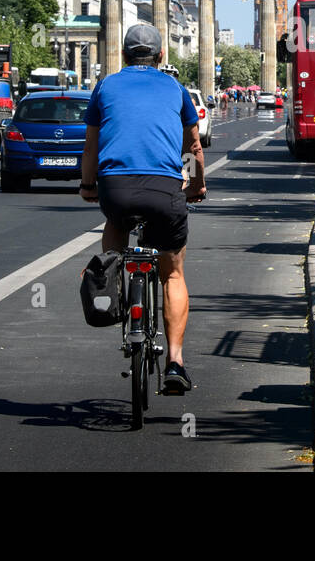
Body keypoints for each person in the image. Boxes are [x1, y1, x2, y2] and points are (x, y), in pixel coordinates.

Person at [79, 23, 207, 393]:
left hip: (116, 188)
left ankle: (113, 280)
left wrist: (89, 186)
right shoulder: (175, 88)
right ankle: (176, 362)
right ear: (161, 56)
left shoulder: (104, 86)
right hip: (164, 190)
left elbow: (91, 146)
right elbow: (193, 148)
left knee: (115, 224)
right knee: (172, 274)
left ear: (122, 55)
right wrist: (196, 185)